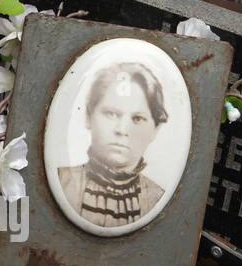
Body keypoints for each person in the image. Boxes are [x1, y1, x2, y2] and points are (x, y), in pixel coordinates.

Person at [57, 61, 167, 229]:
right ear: (88, 116)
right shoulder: (61, 181)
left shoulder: (158, 199)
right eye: (111, 114)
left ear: (155, 129)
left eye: (137, 118)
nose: (122, 130)